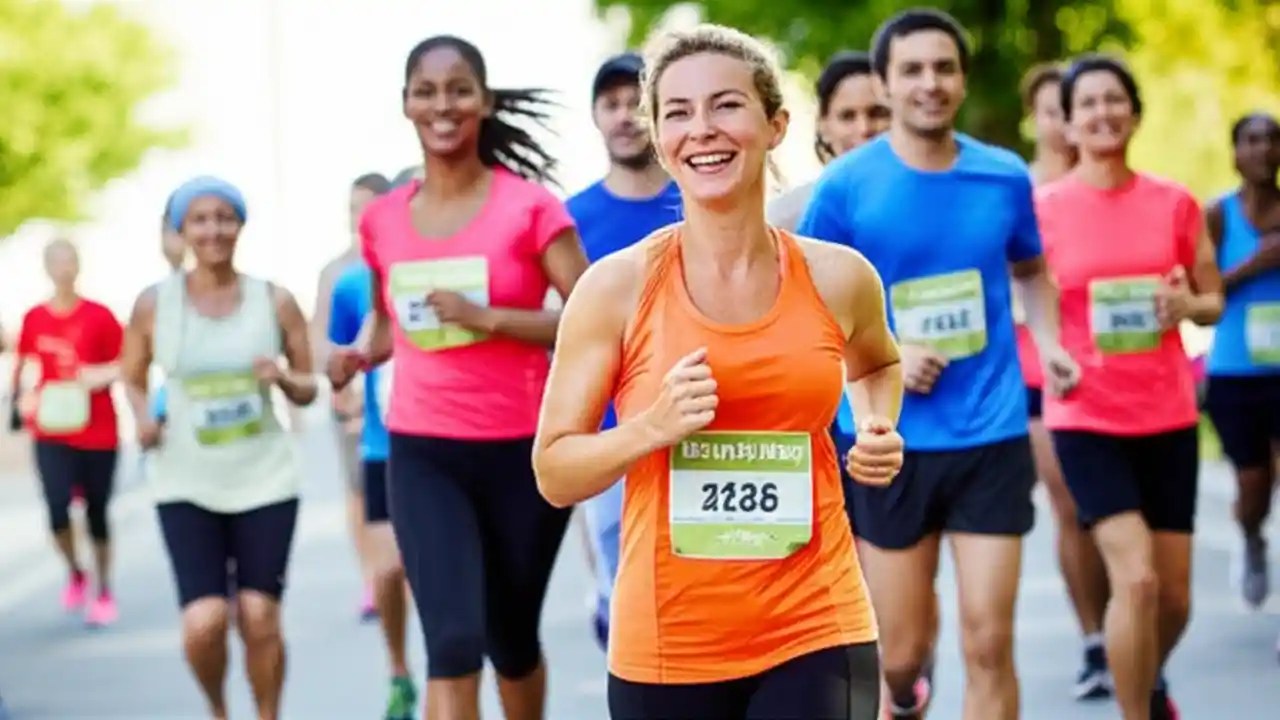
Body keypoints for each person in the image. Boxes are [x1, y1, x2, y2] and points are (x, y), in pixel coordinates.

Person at [534, 23, 898, 720]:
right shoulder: (615, 289)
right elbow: (555, 472)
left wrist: (878, 422)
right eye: (678, 112)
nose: (702, 129)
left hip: (816, 623)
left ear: (775, 124)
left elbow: (878, 361)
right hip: (670, 641)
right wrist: (650, 428)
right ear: (660, 138)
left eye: (726, 105)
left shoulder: (838, 278)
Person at [799, 9, 1080, 720]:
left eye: (943, 68)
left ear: (960, 78)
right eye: (913, 70)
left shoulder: (1003, 176)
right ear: (887, 83)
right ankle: (900, 695)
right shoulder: (847, 188)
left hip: (990, 430)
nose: (931, 83)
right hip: (886, 442)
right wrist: (884, 352)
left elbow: (1032, 270)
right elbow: (805, 312)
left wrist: (1048, 344)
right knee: (901, 654)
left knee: (989, 642)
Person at [327, 35, 589, 720]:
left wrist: (487, 317)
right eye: (426, 90)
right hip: (423, 448)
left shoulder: (530, 207)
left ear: (484, 101)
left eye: (458, 88)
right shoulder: (383, 220)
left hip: (523, 451)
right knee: (451, 639)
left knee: (510, 636)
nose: (442, 104)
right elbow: (390, 322)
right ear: (407, 104)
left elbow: (589, 319)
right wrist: (357, 352)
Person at [1036, 55, 1225, 720]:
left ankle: (1145, 678)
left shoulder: (1173, 202)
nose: (1102, 113)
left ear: (1135, 113)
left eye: (1115, 100)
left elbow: (1213, 300)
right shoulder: (1043, 209)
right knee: (1137, 580)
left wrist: (1186, 307)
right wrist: (1051, 349)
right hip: (1086, 414)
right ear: (1067, 122)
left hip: (1167, 411)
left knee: (1174, 598)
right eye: (1086, 103)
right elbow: (1019, 298)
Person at [121, 176, 315, 720]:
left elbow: (309, 386)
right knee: (204, 620)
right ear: (181, 230)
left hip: (265, 479)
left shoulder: (274, 300)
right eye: (200, 220)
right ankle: (218, 708)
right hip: (185, 481)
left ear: (241, 226)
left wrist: (281, 377)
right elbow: (132, 377)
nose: (214, 230)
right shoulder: (154, 304)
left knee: (258, 615)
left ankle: (268, 713)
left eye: (225, 217)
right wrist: (142, 418)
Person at [566, 50, 683, 651]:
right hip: (611, 431)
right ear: (595, 117)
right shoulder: (572, 218)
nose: (626, 115)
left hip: (700, 425)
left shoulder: (698, 200)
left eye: (636, 100)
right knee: (626, 599)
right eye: (611, 104)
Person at [1018, 62, 1113, 700]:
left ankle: (1129, 620)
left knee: (1112, 510)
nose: (1061, 123)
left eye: (1067, 108)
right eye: (1049, 111)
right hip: (1034, 372)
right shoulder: (1012, 190)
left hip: (1113, 367)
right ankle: (1096, 640)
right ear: (1036, 118)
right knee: (1071, 504)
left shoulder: (1112, 190)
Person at [10, 238, 124, 628]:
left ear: (78, 265)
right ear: (46, 267)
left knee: (97, 513)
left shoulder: (100, 316)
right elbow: (26, 365)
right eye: (56, 261)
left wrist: (100, 375)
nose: (63, 268)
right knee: (57, 508)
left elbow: (126, 362)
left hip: (98, 430)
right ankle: (76, 571)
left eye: (69, 260)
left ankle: (104, 588)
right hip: (51, 430)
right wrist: (24, 397)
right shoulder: (34, 319)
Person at [328, 259, 417, 719]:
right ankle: (399, 670)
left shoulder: (463, 263)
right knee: (387, 571)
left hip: (447, 443)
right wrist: (341, 385)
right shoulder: (353, 284)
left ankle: (450, 679)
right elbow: (339, 351)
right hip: (382, 445)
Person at [1203, 111, 1280, 614]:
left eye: (1272, 139)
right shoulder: (1217, 216)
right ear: (1235, 152)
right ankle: (1251, 537)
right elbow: (1201, 297)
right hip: (1235, 374)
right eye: (1251, 139)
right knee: (1254, 484)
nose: (1263, 148)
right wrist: (1254, 266)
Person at [312, 173, 393, 621]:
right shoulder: (337, 272)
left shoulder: (402, 259)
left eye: (369, 207)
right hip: (352, 403)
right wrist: (341, 384)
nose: (359, 217)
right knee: (359, 491)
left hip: (396, 400)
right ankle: (371, 576)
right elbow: (321, 338)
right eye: (353, 208)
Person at [767, 50, 890, 231]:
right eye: (847, 116)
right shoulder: (786, 218)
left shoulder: (937, 199)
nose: (864, 128)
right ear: (823, 126)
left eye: (878, 113)